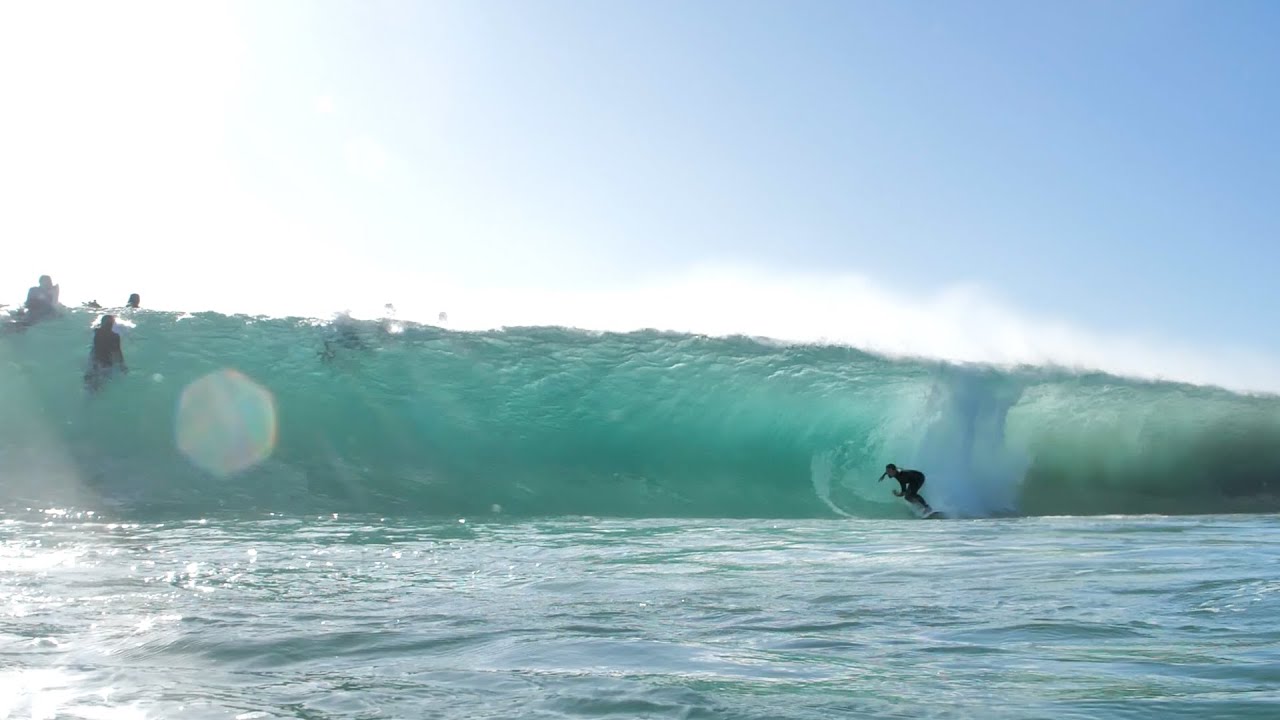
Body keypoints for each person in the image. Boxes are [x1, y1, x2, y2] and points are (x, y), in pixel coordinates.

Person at [85, 315, 127, 392]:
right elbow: (118, 353)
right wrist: (122, 365)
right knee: (100, 383)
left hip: (94, 361)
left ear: (102, 323)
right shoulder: (115, 336)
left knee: (90, 382)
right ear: (112, 325)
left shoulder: (96, 332)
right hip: (106, 363)